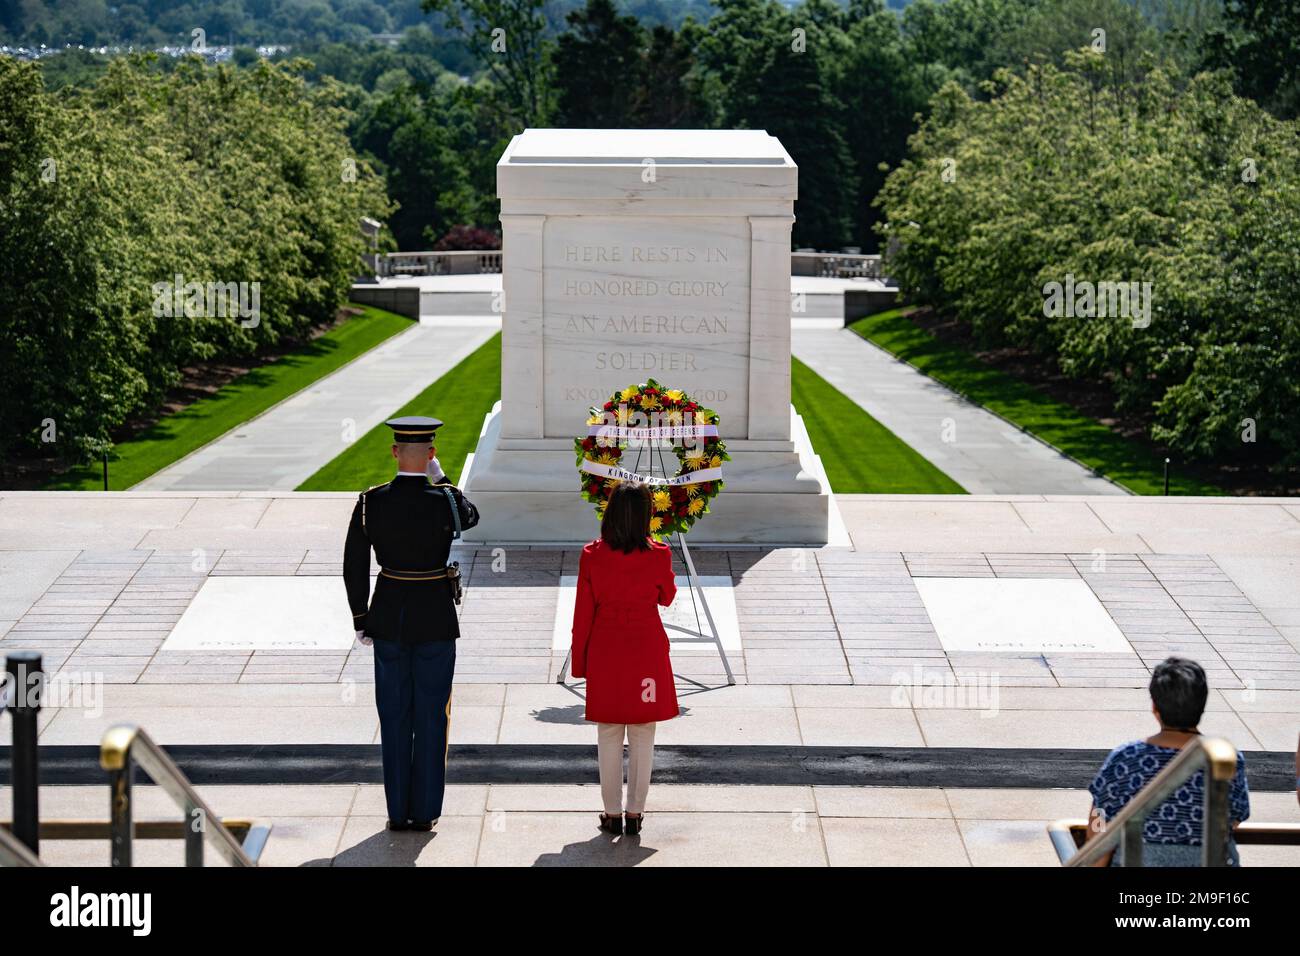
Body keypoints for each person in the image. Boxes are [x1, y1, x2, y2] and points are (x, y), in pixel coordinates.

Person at [343, 415, 479, 832]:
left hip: (389, 615)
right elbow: (471, 516)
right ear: (432, 454)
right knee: (432, 715)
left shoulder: (371, 501)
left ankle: (397, 811)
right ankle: (425, 812)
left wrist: (360, 617)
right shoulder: (445, 500)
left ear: (394, 451)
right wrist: (441, 478)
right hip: (436, 615)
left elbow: (353, 565)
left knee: (395, 713)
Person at [570, 481, 679, 836]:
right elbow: (666, 598)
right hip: (645, 647)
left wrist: (580, 663)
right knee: (644, 731)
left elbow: (582, 615)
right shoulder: (658, 554)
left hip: (606, 648)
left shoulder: (592, 555)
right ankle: (635, 813)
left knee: (609, 732)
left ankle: (612, 812)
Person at [1084, 657, 1250, 866]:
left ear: (1155, 706)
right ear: (1202, 704)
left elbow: (1099, 820)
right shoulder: (1226, 757)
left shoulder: (1125, 758)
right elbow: (1236, 816)